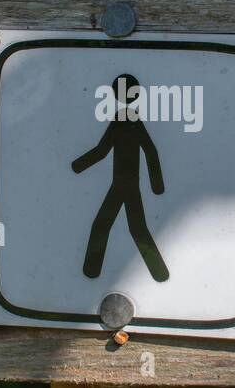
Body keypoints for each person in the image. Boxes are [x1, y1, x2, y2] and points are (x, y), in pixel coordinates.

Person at [71, 74, 170, 282]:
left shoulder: (125, 120)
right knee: (133, 227)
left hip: (124, 185)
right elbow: (148, 151)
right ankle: (159, 273)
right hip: (125, 184)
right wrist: (156, 185)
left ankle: (92, 270)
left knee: (106, 225)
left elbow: (103, 150)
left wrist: (78, 165)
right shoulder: (128, 119)